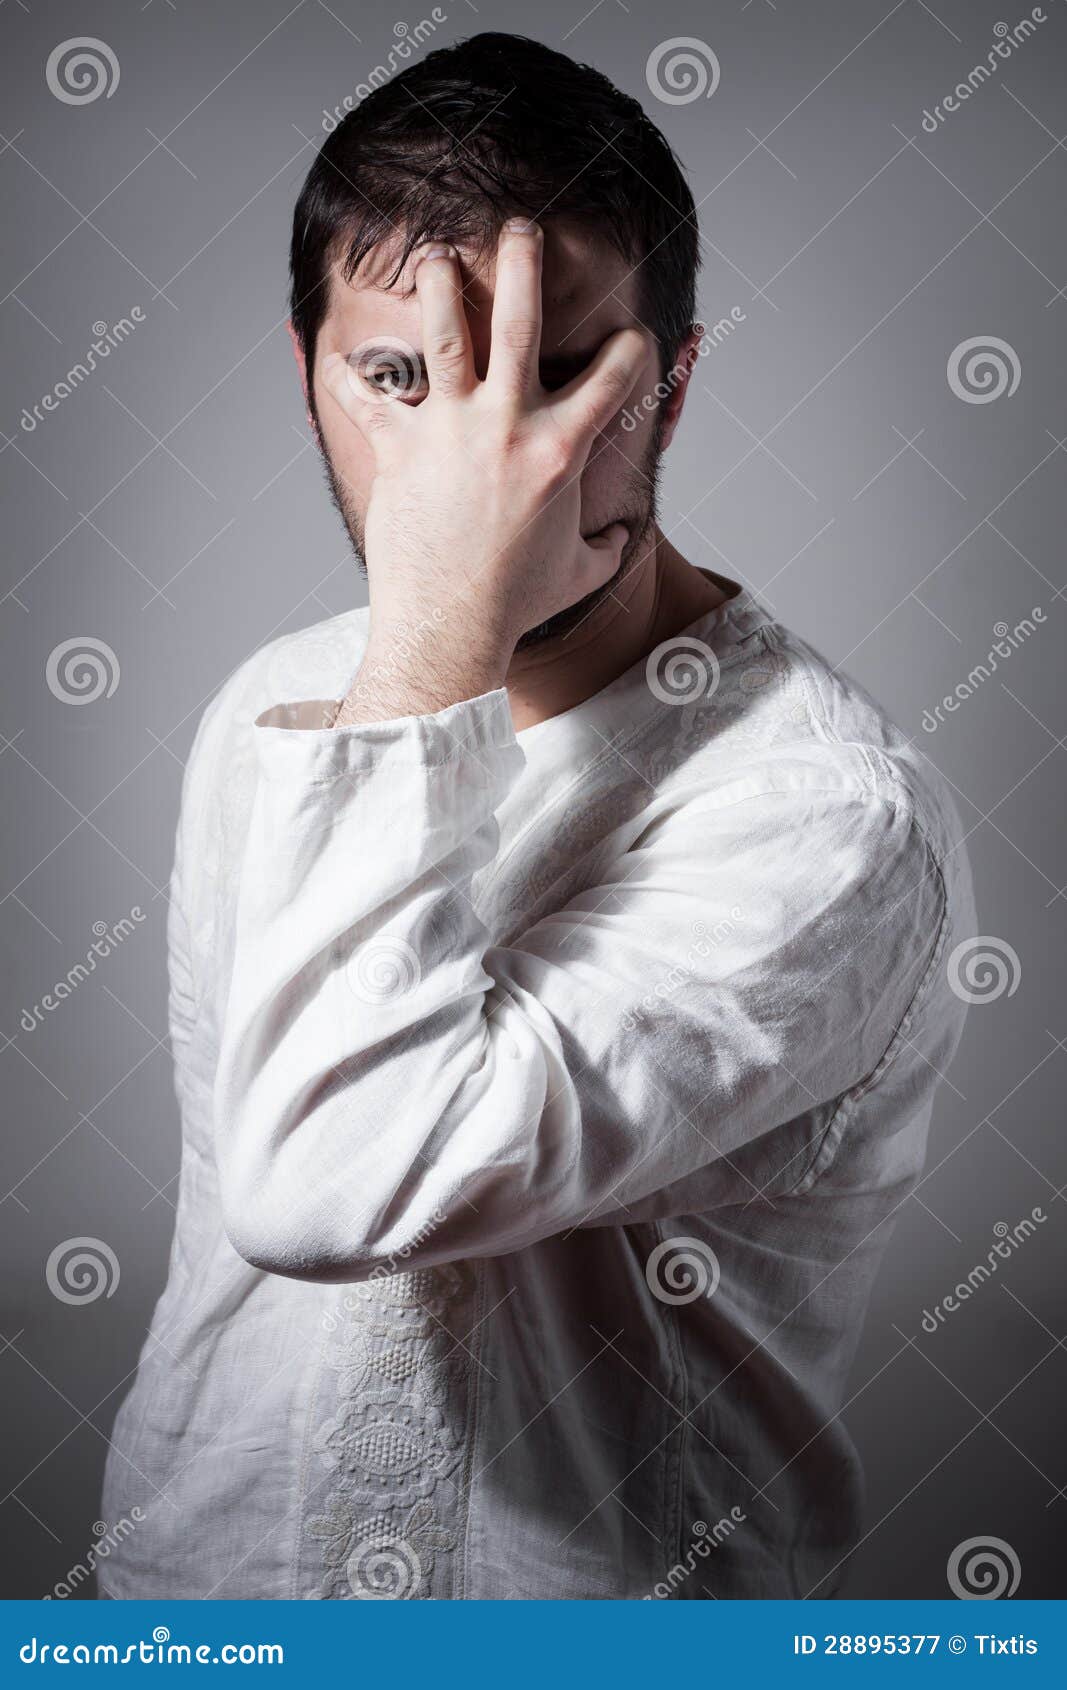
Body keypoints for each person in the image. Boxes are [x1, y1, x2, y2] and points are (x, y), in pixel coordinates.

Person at [100, 32, 974, 1601]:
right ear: (305, 379)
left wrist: (439, 615)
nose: (477, 460)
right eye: (397, 379)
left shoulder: (827, 819)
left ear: (677, 382)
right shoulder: (264, 713)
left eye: (560, 374)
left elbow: (328, 1186)